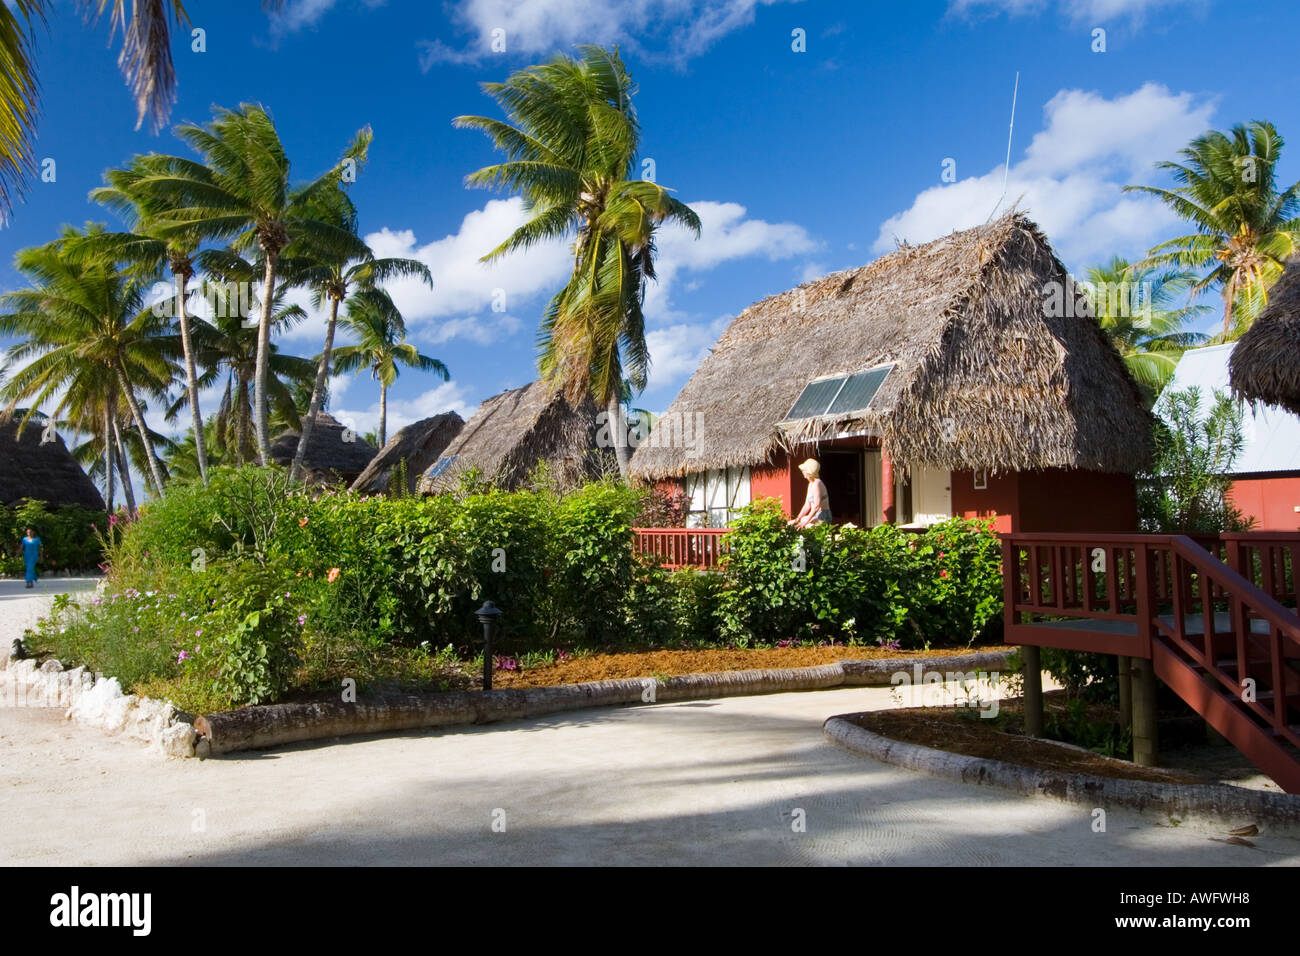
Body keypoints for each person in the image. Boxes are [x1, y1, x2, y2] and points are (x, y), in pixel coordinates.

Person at [789, 459, 832, 529]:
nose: (802, 472)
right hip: (815, 515)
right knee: (796, 522)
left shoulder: (817, 483)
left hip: (823, 515)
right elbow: (806, 505)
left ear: (809, 471)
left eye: (804, 470)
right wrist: (797, 519)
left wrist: (805, 522)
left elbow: (817, 506)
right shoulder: (811, 484)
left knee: (806, 524)